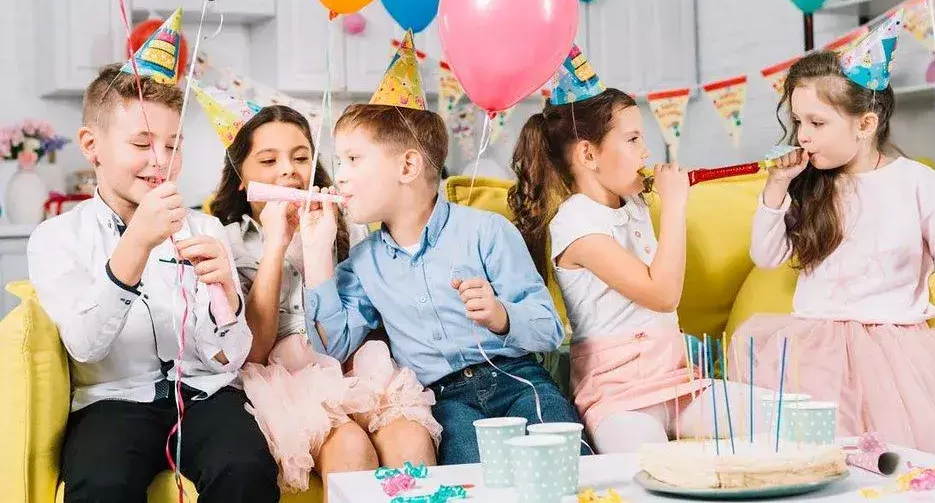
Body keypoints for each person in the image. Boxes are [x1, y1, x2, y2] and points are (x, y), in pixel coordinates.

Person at [303, 32, 583, 464]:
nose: (340, 176)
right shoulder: (363, 263)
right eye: (339, 162)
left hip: (518, 380)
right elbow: (334, 349)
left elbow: (549, 327)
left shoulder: (487, 232)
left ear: (408, 166)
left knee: (562, 462)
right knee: (470, 479)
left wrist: (500, 314)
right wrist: (318, 254)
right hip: (445, 402)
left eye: (353, 160)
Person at [734, 17, 935, 464]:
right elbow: (765, 256)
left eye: (817, 122)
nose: (802, 135)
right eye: (798, 121)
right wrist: (776, 189)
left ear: (865, 123)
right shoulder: (809, 184)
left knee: (901, 464)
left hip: (898, 349)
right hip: (817, 346)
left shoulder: (914, 179)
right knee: (820, 459)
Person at [28, 40, 277, 502]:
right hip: (112, 403)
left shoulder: (205, 227)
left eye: (173, 144)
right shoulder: (56, 238)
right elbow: (85, 346)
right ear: (91, 146)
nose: (161, 160)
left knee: (246, 468)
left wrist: (226, 295)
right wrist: (136, 243)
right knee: (101, 484)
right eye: (142, 143)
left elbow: (233, 357)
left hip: (205, 396)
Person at [509, 44, 767, 453]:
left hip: (679, 384)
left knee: (784, 417)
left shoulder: (633, 205)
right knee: (649, 471)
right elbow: (662, 295)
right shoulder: (575, 222)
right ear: (589, 154)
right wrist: (677, 204)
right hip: (619, 399)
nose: (646, 153)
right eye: (632, 139)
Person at [204, 93, 438, 496]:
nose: (288, 172)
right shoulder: (227, 243)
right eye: (268, 161)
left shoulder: (352, 224)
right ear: (242, 178)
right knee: (350, 446)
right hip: (286, 378)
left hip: (356, 364)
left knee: (411, 440)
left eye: (300, 158)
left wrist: (322, 246)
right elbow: (255, 352)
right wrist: (276, 245)